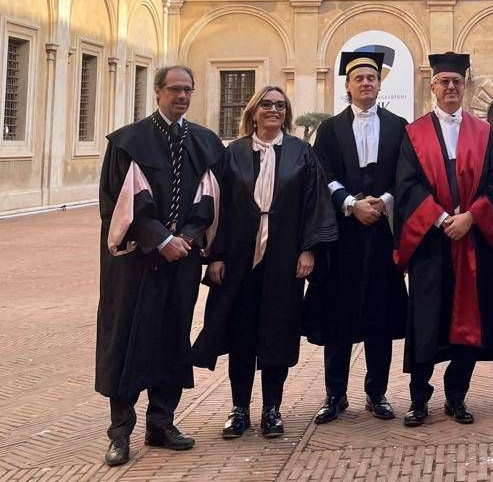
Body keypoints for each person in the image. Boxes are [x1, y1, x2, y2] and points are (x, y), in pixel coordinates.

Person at [95, 65, 224, 467]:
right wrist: (162, 240)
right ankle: (120, 433)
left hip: (181, 261)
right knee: (127, 340)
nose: (182, 96)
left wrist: (187, 237)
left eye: (188, 90)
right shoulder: (129, 143)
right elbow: (120, 202)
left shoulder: (203, 142)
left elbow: (210, 199)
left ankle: (161, 423)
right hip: (135, 263)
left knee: (172, 338)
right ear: (157, 92)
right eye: (174, 90)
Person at [192, 85, 337, 440]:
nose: (273, 110)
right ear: (254, 111)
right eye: (266, 105)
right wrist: (217, 256)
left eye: (280, 105)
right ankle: (239, 409)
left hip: (285, 258)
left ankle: (272, 409)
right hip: (241, 259)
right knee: (241, 334)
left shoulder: (301, 153)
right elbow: (220, 208)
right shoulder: (234, 153)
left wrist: (308, 250)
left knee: (277, 333)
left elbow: (314, 204)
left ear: (286, 112)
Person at [393, 52, 493, 427]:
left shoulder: (484, 133)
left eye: (456, 82)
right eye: (443, 82)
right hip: (432, 244)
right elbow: (406, 185)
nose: (450, 88)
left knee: (471, 319)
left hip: (473, 242)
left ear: (464, 86)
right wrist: (441, 218)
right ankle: (418, 398)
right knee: (427, 320)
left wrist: (471, 217)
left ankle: (456, 395)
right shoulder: (414, 134)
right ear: (433, 87)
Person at [304, 51, 409, 424]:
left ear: (380, 84)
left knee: (379, 316)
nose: (366, 83)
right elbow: (322, 173)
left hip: (381, 233)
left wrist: (382, 202)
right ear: (347, 86)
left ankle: (376, 393)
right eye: (359, 78)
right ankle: (335, 394)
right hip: (342, 236)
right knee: (339, 316)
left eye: (372, 78)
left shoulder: (399, 127)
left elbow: (405, 175)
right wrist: (350, 203)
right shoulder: (330, 129)